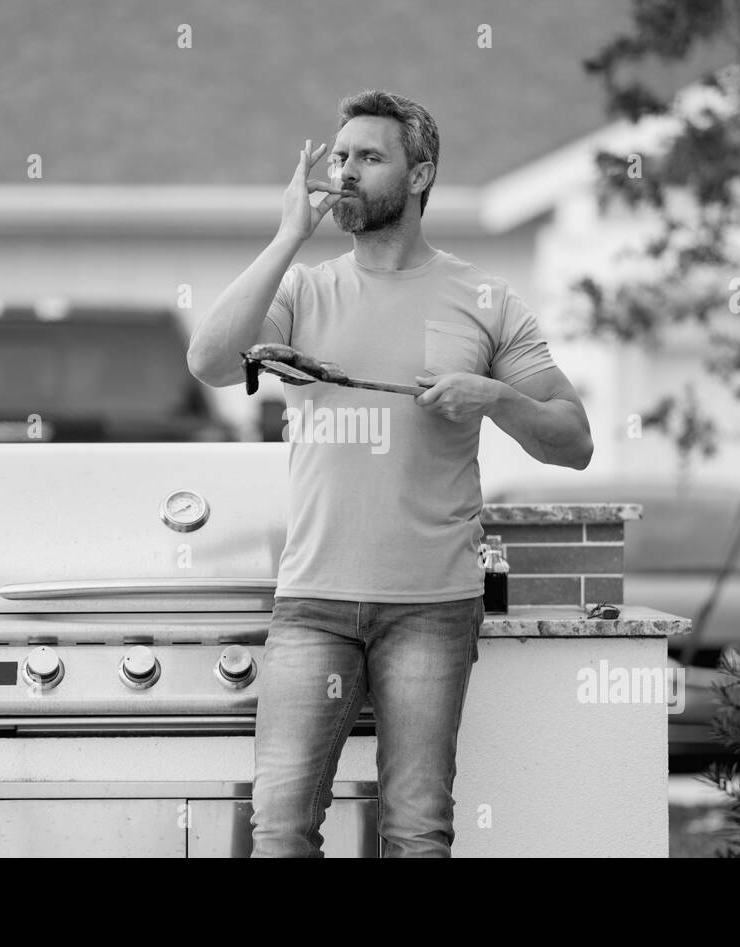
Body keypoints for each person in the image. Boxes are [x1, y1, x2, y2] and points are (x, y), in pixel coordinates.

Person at [186, 90, 593, 857]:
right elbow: (208, 361)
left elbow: (573, 441)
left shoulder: (486, 300)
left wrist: (496, 396)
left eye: (368, 157)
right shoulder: (304, 291)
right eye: (340, 156)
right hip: (311, 603)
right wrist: (285, 237)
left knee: (416, 832)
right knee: (278, 829)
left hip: (433, 607)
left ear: (419, 174)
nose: (344, 171)